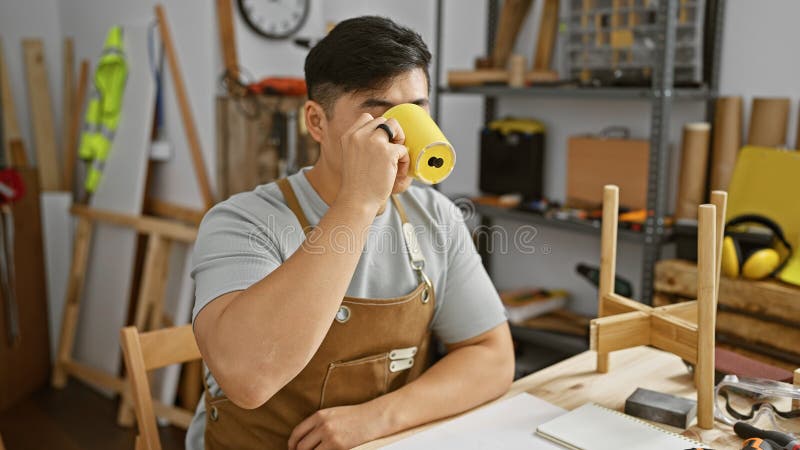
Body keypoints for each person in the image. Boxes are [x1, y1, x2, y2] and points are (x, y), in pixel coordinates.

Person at [186, 15, 514, 450]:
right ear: (316, 122)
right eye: (380, 116)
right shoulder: (241, 223)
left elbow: (492, 356)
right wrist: (358, 202)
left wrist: (376, 419)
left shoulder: (436, 217)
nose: (403, 136)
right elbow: (248, 378)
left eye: (416, 111)